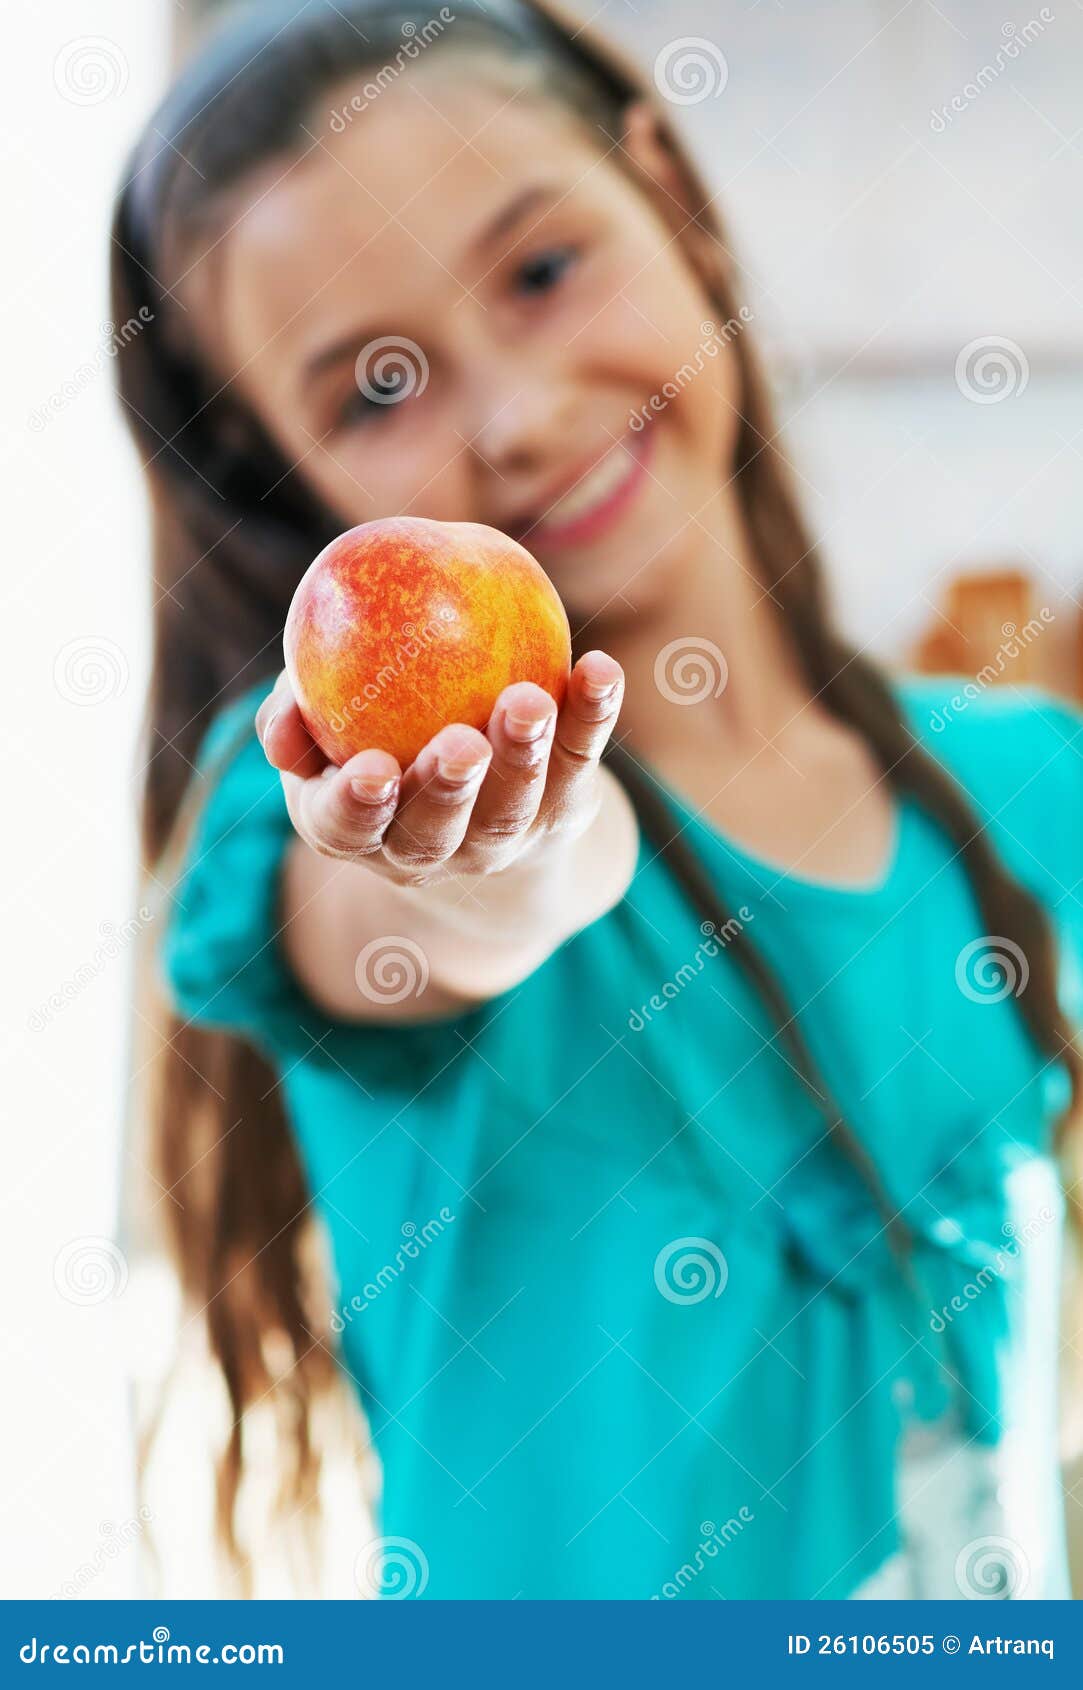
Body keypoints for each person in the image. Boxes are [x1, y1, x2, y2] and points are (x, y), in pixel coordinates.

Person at [113, 0, 1082, 1598]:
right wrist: (501, 840)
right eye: (374, 391)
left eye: (545, 270)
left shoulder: (1032, 786)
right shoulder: (308, 808)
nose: (517, 417)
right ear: (287, 478)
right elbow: (463, 900)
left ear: (671, 197)